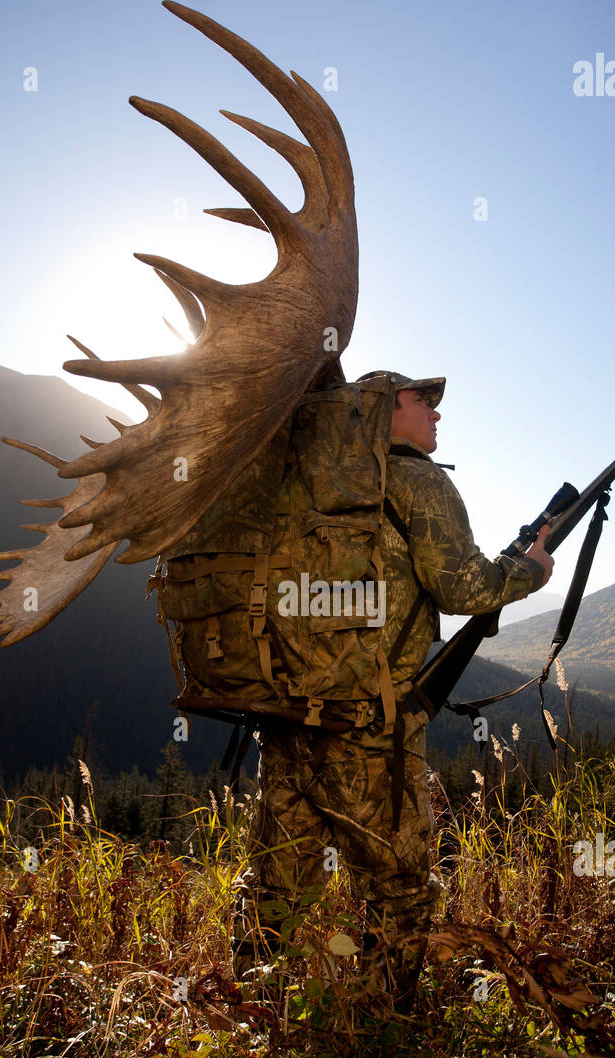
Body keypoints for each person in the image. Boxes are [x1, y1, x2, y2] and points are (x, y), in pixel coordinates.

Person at [232, 371, 554, 1011]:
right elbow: (465, 590)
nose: (436, 413)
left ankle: (245, 1018)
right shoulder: (418, 481)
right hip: (372, 731)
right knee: (399, 887)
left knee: (275, 885)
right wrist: (530, 570)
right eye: (422, 400)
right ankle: (382, 1035)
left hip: (287, 719)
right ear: (381, 412)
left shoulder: (298, 490)